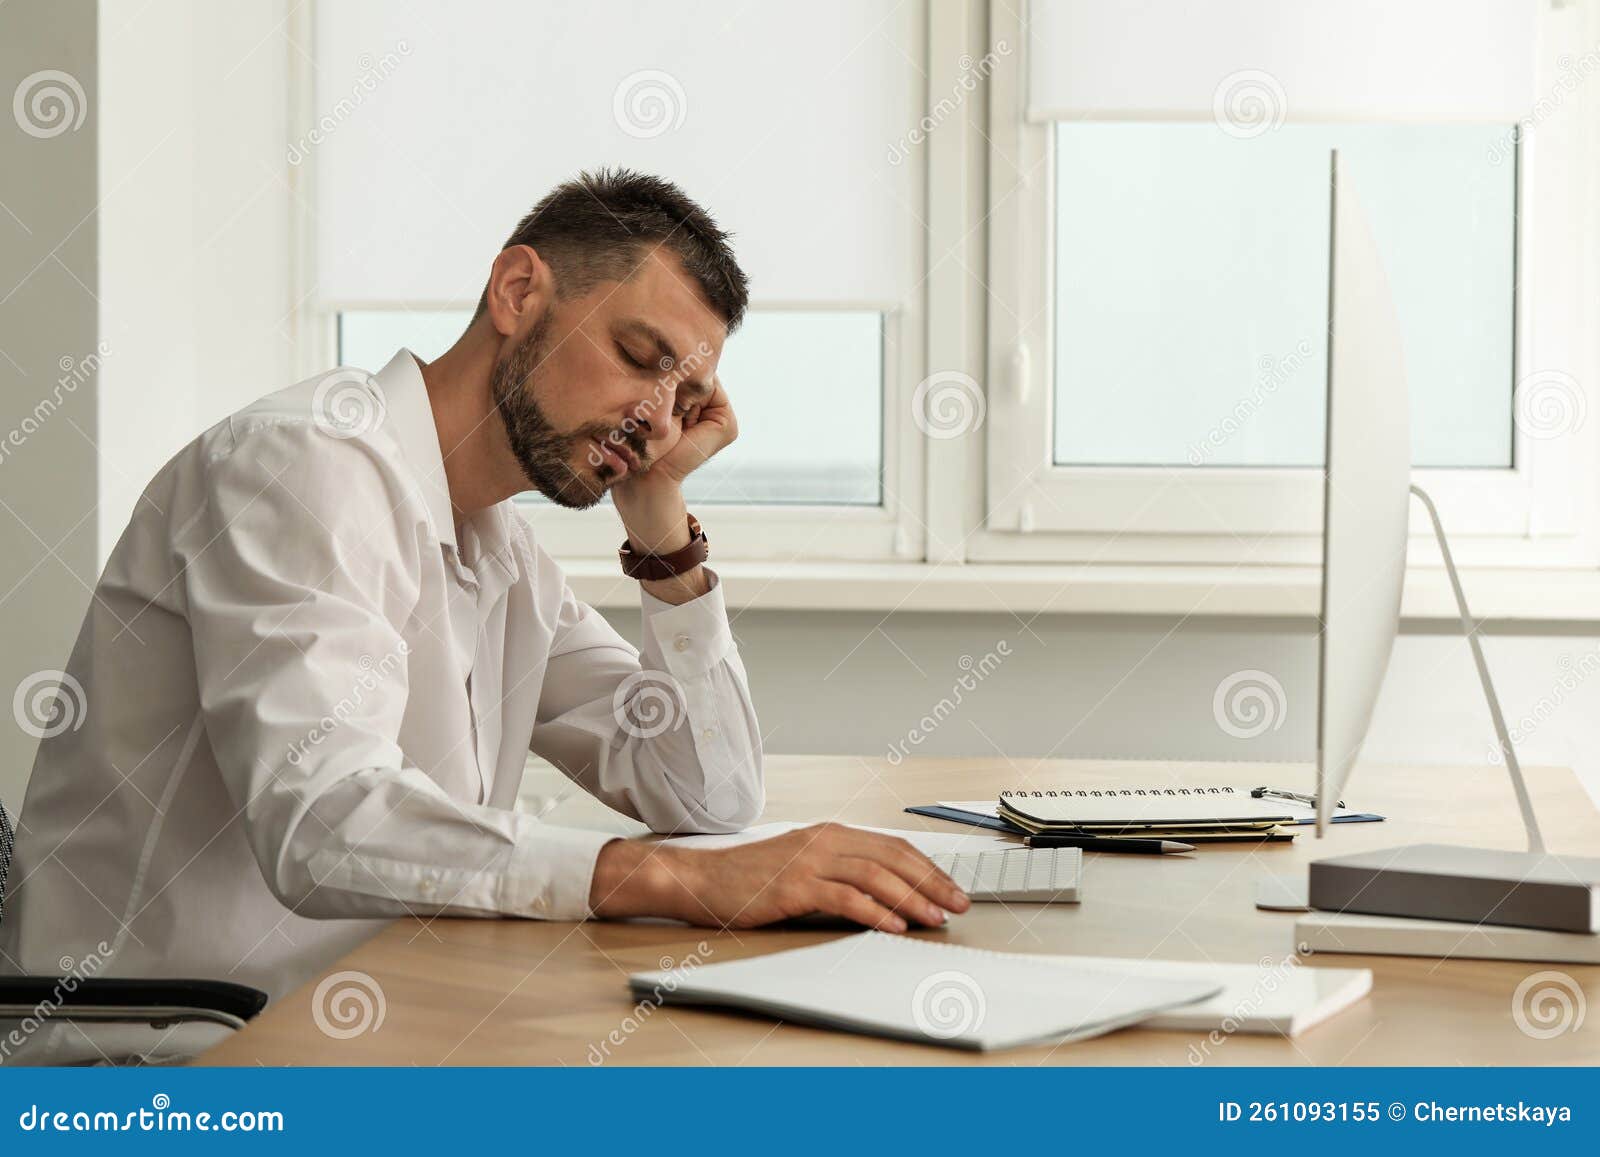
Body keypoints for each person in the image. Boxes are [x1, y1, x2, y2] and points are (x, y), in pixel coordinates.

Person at [0, 169, 966, 1062]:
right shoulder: (299, 468)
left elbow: (706, 795)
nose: (656, 416)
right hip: (166, 1058)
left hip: (375, 1023)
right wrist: (684, 881)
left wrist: (660, 518)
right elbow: (323, 820)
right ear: (517, 292)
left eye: (684, 396)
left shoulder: (496, 545)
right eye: (640, 356)